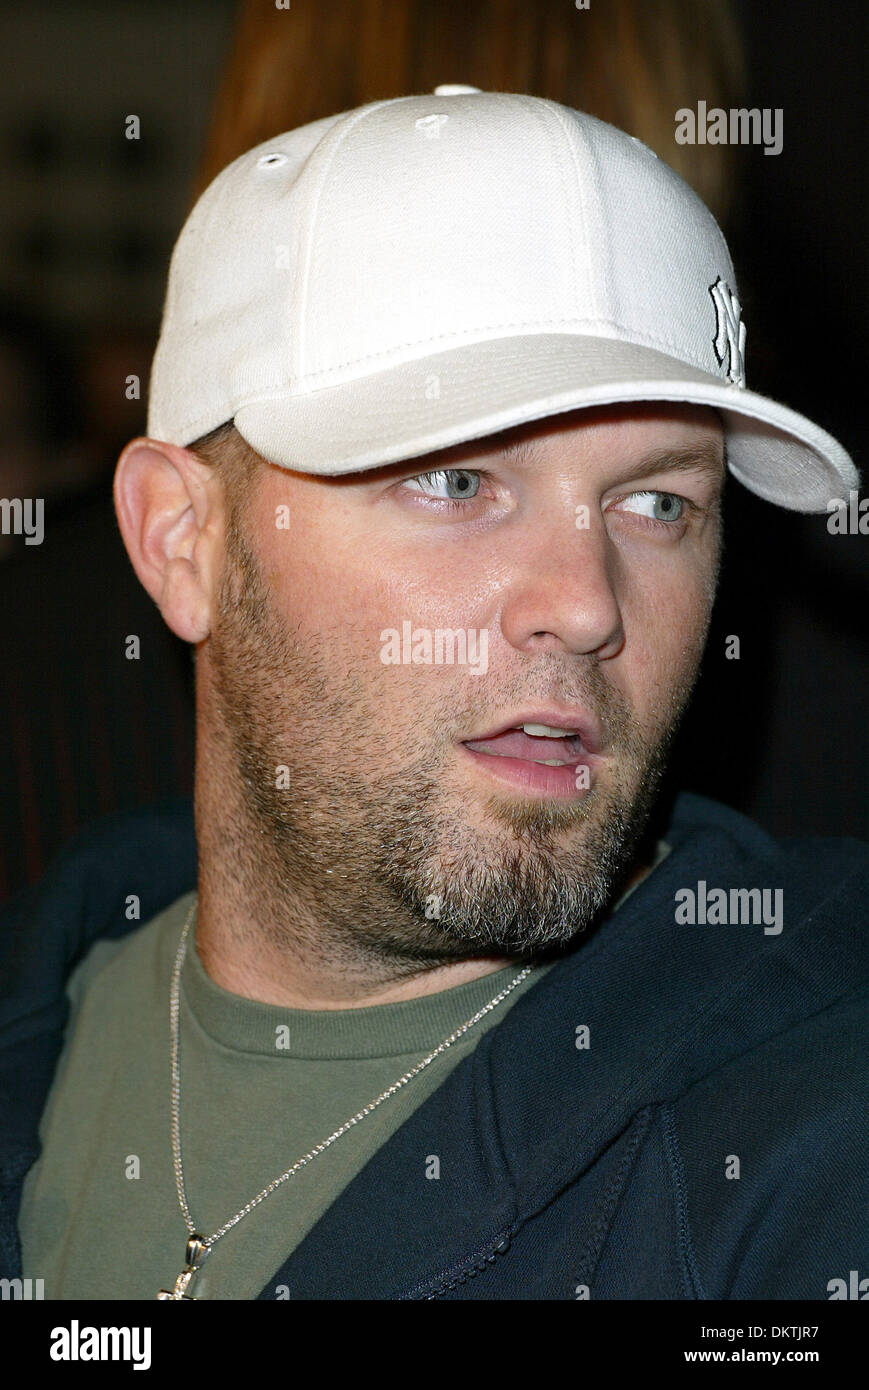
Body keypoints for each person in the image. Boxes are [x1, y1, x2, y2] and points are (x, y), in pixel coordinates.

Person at [2, 90, 866, 1302]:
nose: (584, 602)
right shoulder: (42, 1008)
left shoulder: (810, 1139)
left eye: (657, 502)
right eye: (456, 480)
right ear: (180, 539)